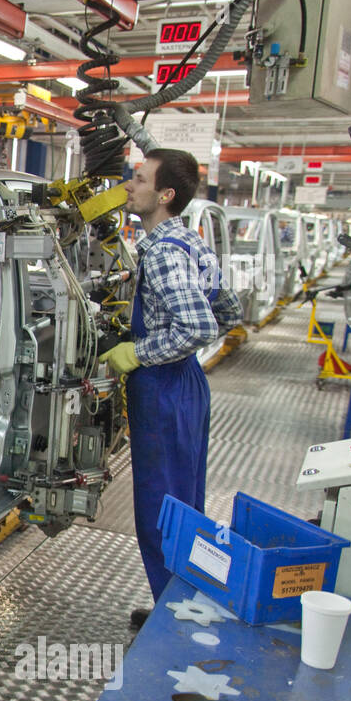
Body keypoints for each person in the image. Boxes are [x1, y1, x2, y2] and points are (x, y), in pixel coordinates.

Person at [99, 149, 242, 629]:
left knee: (160, 510)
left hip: (162, 387)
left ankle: (175, 622)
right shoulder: (189, 242)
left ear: (165, 195)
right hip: (188, 384)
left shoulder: (161, 251)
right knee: (185, 506)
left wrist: (139, 352)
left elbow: (199, 325)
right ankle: (183, 603)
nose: (128, 187)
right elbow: (229, 309)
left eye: (138, 180)